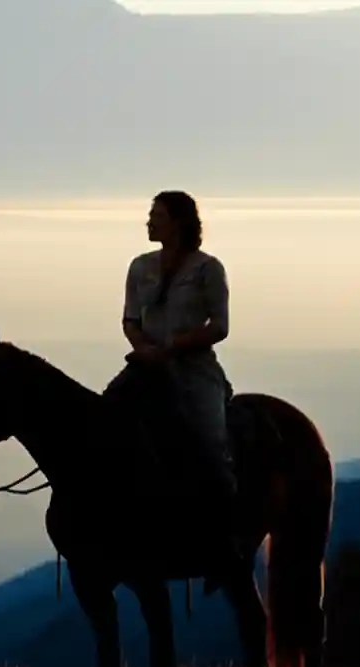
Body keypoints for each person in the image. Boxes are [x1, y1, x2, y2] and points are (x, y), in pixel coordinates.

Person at [113, 190, 246, 572]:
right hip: (146, 366)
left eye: (157, 215)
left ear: (178, 223)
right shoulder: (139, 267)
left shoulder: (208, 269)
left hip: (194, 372)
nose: (149, 222)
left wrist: (169, 349)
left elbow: (219, 326)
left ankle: (226, 541)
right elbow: (129, 320)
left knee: (211, 443)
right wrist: (144, 350)